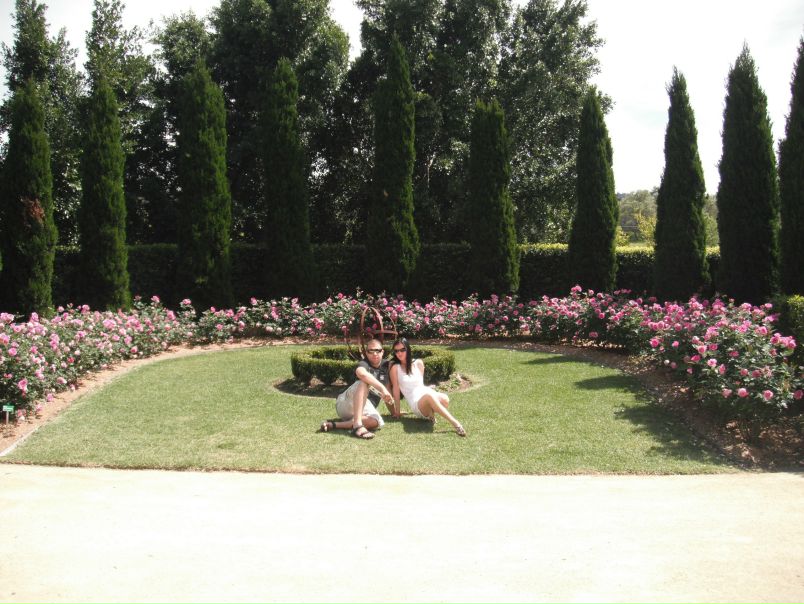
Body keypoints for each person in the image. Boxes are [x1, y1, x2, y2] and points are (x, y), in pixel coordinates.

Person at [319, 338, 396, 439]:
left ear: (382, 352)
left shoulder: (386, 366)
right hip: (346, 403)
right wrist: (382, 388)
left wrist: (394, 413)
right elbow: (361, 373)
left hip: (363, 409)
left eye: (377, 351)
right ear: (366, 353)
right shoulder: (364, 364)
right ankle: (358, 425)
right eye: (370, 351)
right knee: (364, 382)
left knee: (376, 422)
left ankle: (334, 424)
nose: (374, 354)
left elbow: (387, 392)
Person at [389, 337, 466, 437]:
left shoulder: (418, 363)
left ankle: (431, 414)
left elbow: (420, 385)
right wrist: (397, 412)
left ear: (408, 349)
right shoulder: (395, 367)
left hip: (425, 392)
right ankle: (456, 423)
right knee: (429, 397)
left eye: (402, 350)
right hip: (416, 402)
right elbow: (396, 388)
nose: (399, 353)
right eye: (396, 351)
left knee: (445, 399)